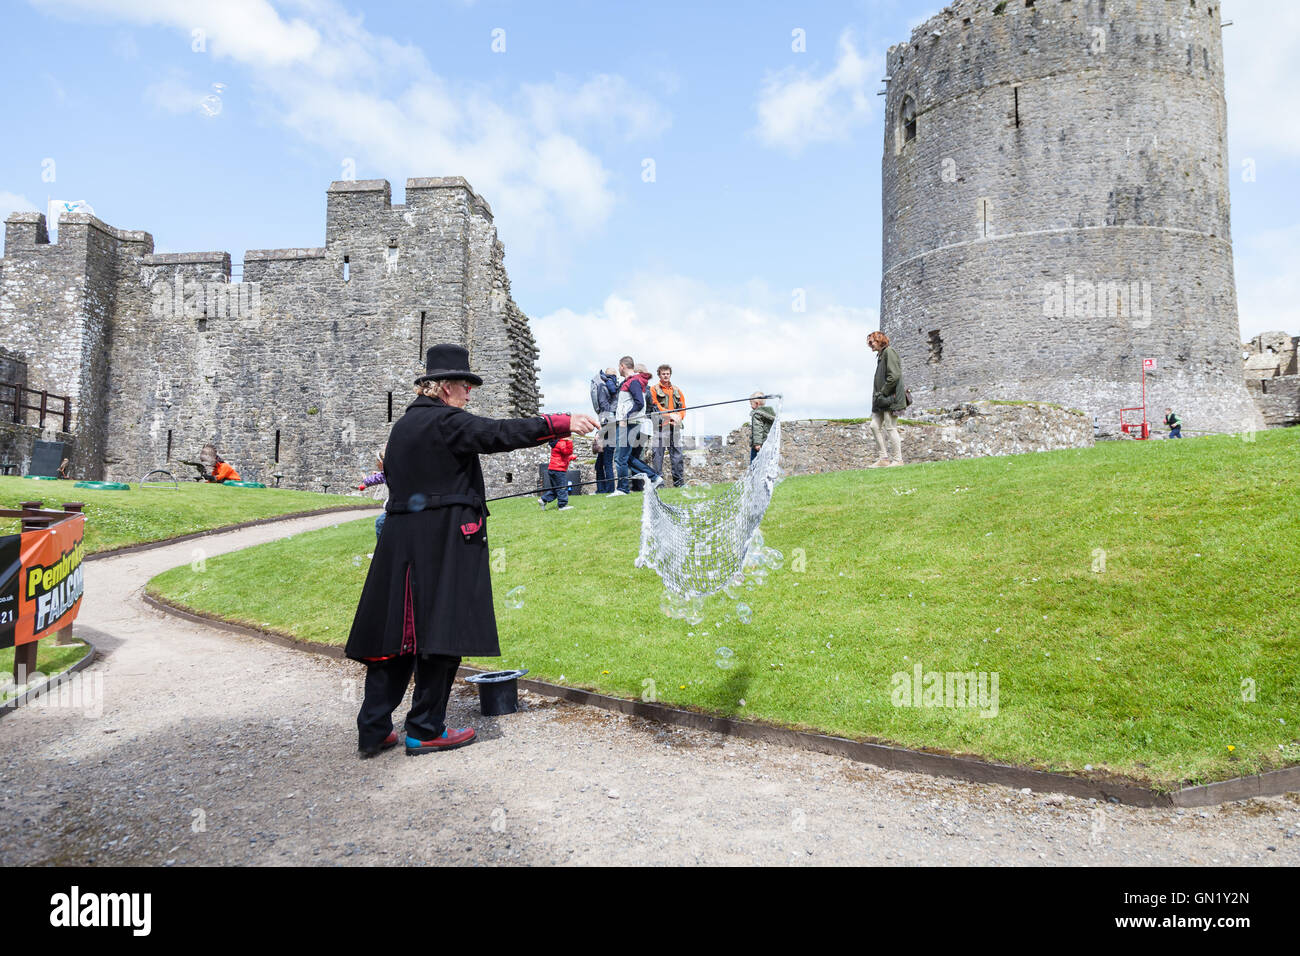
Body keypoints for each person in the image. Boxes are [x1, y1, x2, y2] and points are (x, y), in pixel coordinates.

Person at [345, 344, 597, 757]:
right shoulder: (446, 421)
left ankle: (373, 729)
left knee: (399, 633)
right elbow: (497, 433)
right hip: (444, 542)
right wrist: (560, 422)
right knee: (443, 631)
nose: (469, 393)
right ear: (443, 388)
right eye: (465, 385)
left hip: (400, 543)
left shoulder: (403, 428)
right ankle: (425, 729)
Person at [610, 357, 662, 495]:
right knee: (626, 458)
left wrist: (627, 416)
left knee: (620, 458)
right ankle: (654, 477)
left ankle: (622, 489)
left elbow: (640, 402)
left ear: (622, 366)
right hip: (629, 423)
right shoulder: (631, 381)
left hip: (629, 424)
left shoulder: (633, 381)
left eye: (619, 367)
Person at [867, 331, 906, 467]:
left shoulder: (889, 352)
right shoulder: (881, 356)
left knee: (890, 427)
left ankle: (898, 460)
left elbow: (894, 376)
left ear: (879, 340)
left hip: (891, 398)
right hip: (881, 400)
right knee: (874, 426)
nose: (869, 345)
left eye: (871, 342)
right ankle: (883, 458)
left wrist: (882, 392)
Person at [649, 364, 686, 487]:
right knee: (657, 456)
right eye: (663, 373)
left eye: (668, 373)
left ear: (670, 374)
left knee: (677, 456)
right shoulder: (653, 389)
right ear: (659, 375)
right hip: (660, 428)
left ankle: (679, 483)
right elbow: (655, 406)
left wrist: (679, 417)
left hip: (674, 427)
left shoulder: (677, 390)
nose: (666, 375)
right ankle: (659, 484)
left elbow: (683, 408)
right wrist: (670, 415)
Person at [591, 368, 619, 492]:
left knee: (606, 461)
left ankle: (609, 489)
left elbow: (603, 406)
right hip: (613, 425)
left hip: (608, 425)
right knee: (601, 463)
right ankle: (601, 490)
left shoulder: (602, 386)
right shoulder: (616, 388)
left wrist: (600, 431)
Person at [539, 435, 576, 510]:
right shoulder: (561, 442)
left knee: (556, 489)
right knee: (562, 487)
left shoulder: (556, 442)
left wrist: (572, 457)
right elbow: (568, 452)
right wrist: (569, 441)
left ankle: (543, 500)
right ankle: (562, 505)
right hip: (558, 470)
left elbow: (562, 456)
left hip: (553, 469)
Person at [358, 446, 388, 537]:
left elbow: (377, 478)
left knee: (379, 523)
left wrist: (365, 481)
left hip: (396, 506)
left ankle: (382, 549)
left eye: (377, 461)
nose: (376, 463)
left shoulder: (388, 473)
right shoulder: (391, 471)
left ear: (381, 463)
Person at [749, 392, 776, 462]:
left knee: (754, 464)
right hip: (768, 444)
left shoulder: (757, 414)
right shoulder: (770, 414)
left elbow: (757, 428)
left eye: (751, 404)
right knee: (766, 462)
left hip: (759, 445)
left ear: (757, 403)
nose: (750, 406)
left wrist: (757, 443)